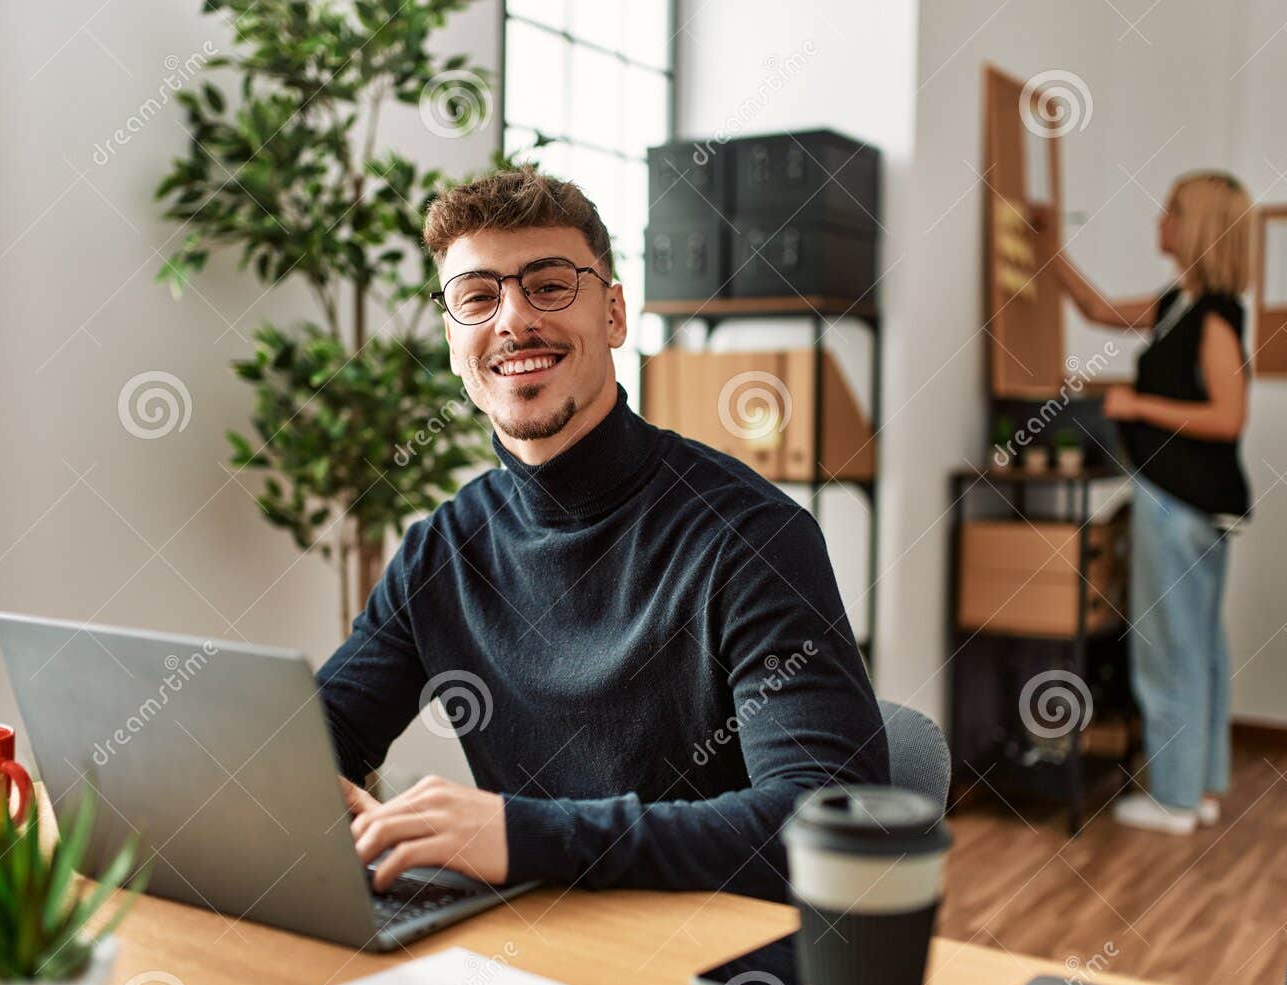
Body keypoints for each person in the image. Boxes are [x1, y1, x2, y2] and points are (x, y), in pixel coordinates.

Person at [316, 165, 890, 897]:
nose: (513, 320)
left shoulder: (752, 536)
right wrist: (295, 788)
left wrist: (523, 835)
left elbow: (829, 819)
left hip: (715, 969)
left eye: (550, 285)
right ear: (454, 338)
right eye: (477, 297)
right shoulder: (443, 549)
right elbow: (314, 737)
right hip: (525, 946)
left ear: (614, 314)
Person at [1050, 170, 1254, 836]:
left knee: (1169, 651)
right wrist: (1052, 252)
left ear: (1196, 227)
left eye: (1170, 211)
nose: (1158, 221)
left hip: (1178, 505)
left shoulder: (1216, 315)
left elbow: (1228, 416)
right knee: (1199, 649)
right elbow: (1098, 310)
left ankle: (1171, 798)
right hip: (1187, 505)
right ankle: (1199, 790)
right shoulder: (1178, 305)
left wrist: (1135, 404)